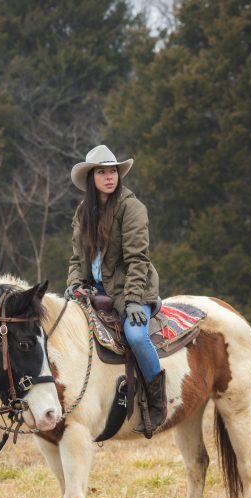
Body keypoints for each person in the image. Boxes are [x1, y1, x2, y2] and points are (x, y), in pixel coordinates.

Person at [65, 144, 165, 435]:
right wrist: (74, 284)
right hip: (94, 289)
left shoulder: (132, 208)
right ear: (91, 178)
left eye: (113, 171)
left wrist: (133, 301)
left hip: (131, 290)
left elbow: (138, 259)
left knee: (135, 334)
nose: (110, 177)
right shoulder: (84, 212)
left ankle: (157, 404)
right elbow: (76, 258)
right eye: (102, 172)